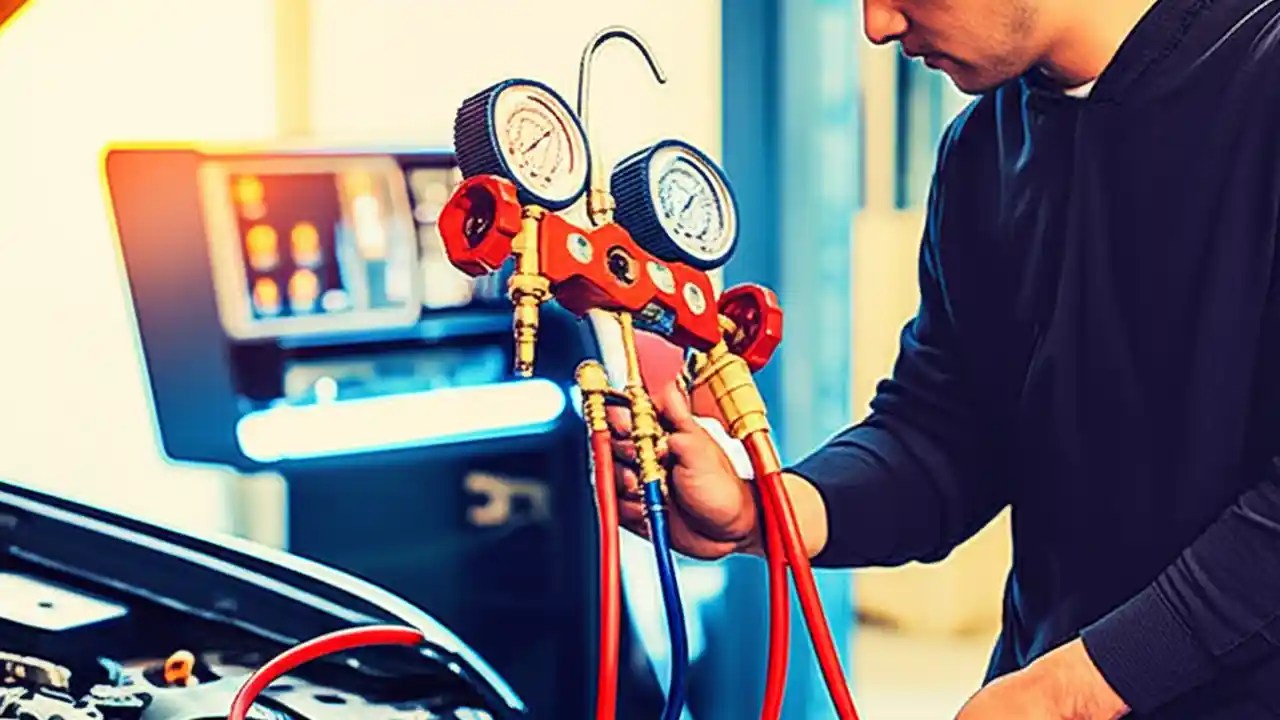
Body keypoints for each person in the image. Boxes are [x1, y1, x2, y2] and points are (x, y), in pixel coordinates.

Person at [607, 0, 1280, 717]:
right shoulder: (983, 149)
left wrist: (1078, 688)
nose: (877, 24)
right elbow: (943, 433)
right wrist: (764, 510)